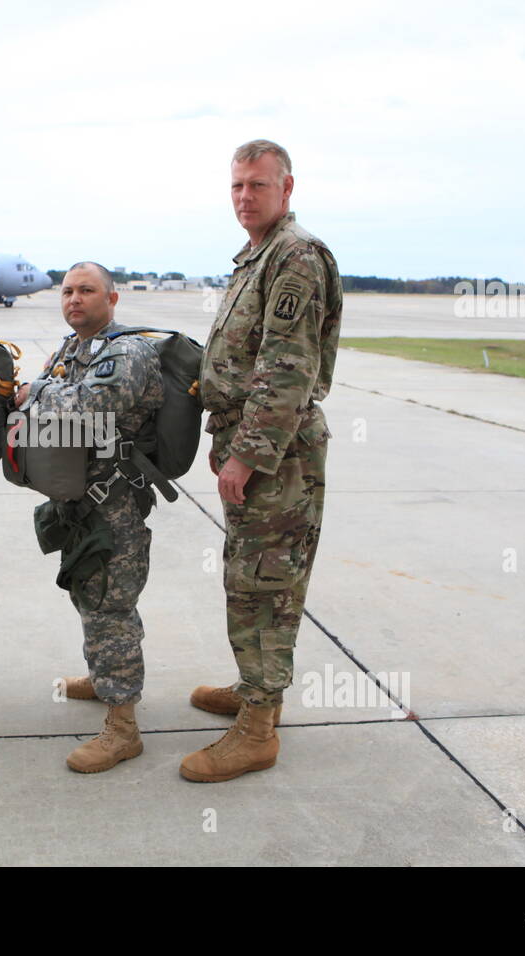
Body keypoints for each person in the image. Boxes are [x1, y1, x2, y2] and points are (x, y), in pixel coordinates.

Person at [180, 139, 342, 783]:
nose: (245, 197)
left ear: (288, 188)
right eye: (237, 186)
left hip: (277, 455)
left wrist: (246, 457)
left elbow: (286, 370)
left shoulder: (295, 257)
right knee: (248, 576)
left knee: (267, 584)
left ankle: (258, 726)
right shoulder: (257, 256)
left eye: (258, 185)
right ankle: (255, 688)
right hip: (252, 443)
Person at [17, 262, 163, 773]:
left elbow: (88, 405)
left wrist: (31, 396)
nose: (74, 299)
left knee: (111, 606)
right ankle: (104, 679)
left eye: (87, 290)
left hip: (114, 502)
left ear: (112, 298)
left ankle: (123, 727)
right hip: (80, 498)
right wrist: (36, 394)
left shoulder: (126, 351)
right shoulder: (72, 349)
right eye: (68, 291)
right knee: (87, 593)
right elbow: (51, 392)